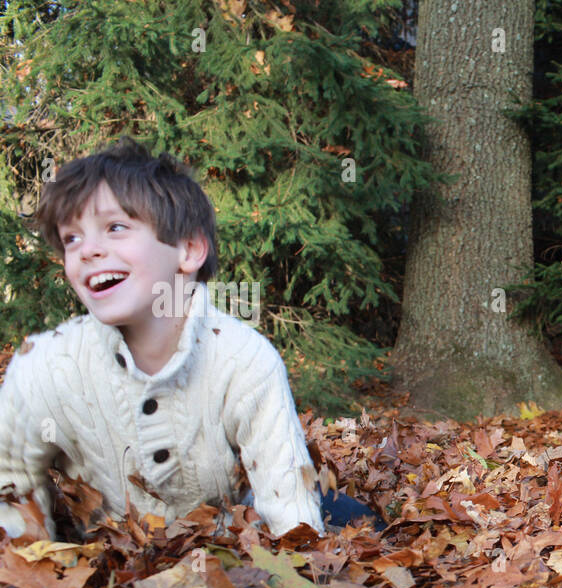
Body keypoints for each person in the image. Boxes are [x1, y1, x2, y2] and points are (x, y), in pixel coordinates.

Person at [0, 137, 369, 538]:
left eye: (115, 228)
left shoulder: (243, 359)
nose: (88, 250)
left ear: (189, 250)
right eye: (72, 238)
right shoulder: (42, 367)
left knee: (348, 515)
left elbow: (289, 512)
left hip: (226, 550)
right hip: (107, 564)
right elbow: (11, 491)